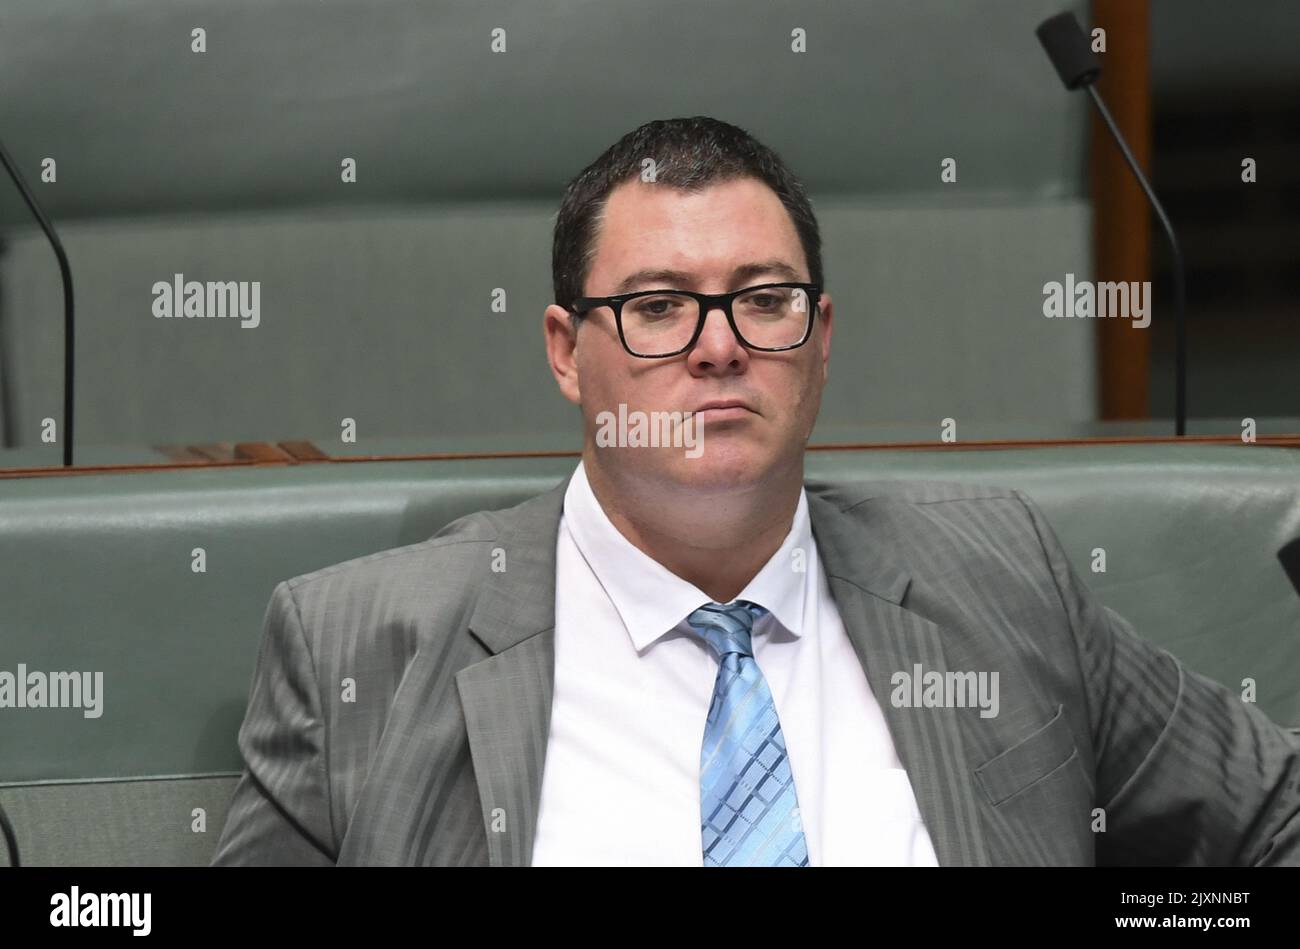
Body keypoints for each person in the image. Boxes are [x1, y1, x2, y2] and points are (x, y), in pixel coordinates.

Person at [212, 116, 1300, 866]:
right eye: (656, 307)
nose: (718, 348)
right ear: (564, 349)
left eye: (762, 300)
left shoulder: (999, 579)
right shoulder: (360, 646)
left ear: (818, 340)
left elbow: (1271, 814)